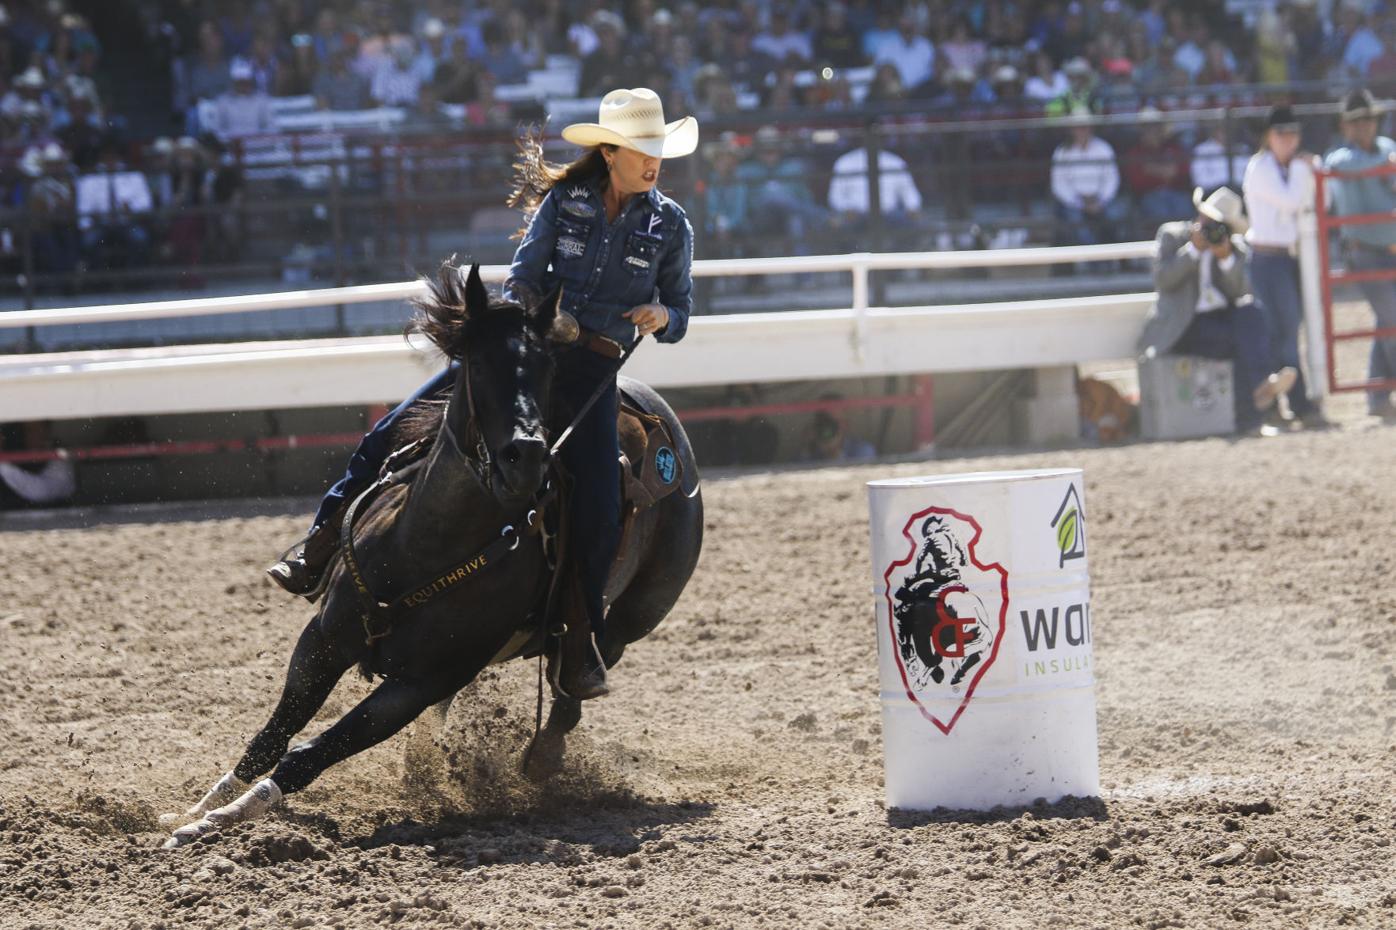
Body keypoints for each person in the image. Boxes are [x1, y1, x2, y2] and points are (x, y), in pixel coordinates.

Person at [268, 88, 697, 700]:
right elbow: (522, 278)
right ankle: (318, 547)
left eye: (657, 150)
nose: (654, 161)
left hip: (592, 372)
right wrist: (542, 322)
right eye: (641, 149)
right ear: (609, 153)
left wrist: (662, 314)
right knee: (390, 431)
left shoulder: (670, 224)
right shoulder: (566, 201)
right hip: (529, 353)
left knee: (601, 501)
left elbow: (680, 311)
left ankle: (579, 642)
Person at [1138, 187, 1298, 437]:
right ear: (1200, 215)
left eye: (1220, 225)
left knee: (1252, 315)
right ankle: (1260, 399)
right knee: (1241, 342)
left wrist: (1225, 259)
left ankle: (1258, 400)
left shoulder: (1233, 248)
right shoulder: (1173, 235)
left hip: (1219, 319)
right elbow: (1163, 280)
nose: (1212, 228)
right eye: (1210, 220)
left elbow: (1242, 290)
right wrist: (1192, 251)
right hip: (1184, 325)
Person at [1242, 104, 1329, 429]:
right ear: (1269, 137)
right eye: (1282, 134)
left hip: (1286, 257)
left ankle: (1282, 402)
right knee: (1280, 332)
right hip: (1268, 258)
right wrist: (1306, 170)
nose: (1288, 140)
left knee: (1285, 331)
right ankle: (1295, 403)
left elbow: (1322, 201)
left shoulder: (1283, 167)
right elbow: (1294, 201)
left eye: (1293, 133)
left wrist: (1308, 169)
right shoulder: (1261, 168)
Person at [1323, 88, 1396, 421]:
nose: (1364, 125)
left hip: (1390, 250)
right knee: (1392, 319)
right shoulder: (1341, 158)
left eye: (1368, 119)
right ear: (1345, 127)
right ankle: (1381, 393)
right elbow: (1341, 165)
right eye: (1356, 121)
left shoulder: (1387, 149)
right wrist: (1384, 165)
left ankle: (1377, 396)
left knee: (1387, 320)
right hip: (1365, 252)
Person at [1050, 110, 1126, 248]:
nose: (1082, 130)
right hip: (1074, 201)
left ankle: (1114, 254)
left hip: (1102, 199)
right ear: (1072, 130)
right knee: (1074, 219)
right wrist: (1079, 203)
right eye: (1078, 127)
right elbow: (1059, 185)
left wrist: (1101, 200)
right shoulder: (1062, 152)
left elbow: (1112, 179)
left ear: (1091, 128)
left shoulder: (1104, 148)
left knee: (1116, 215)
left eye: (1085, 126)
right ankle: (1090, 255)